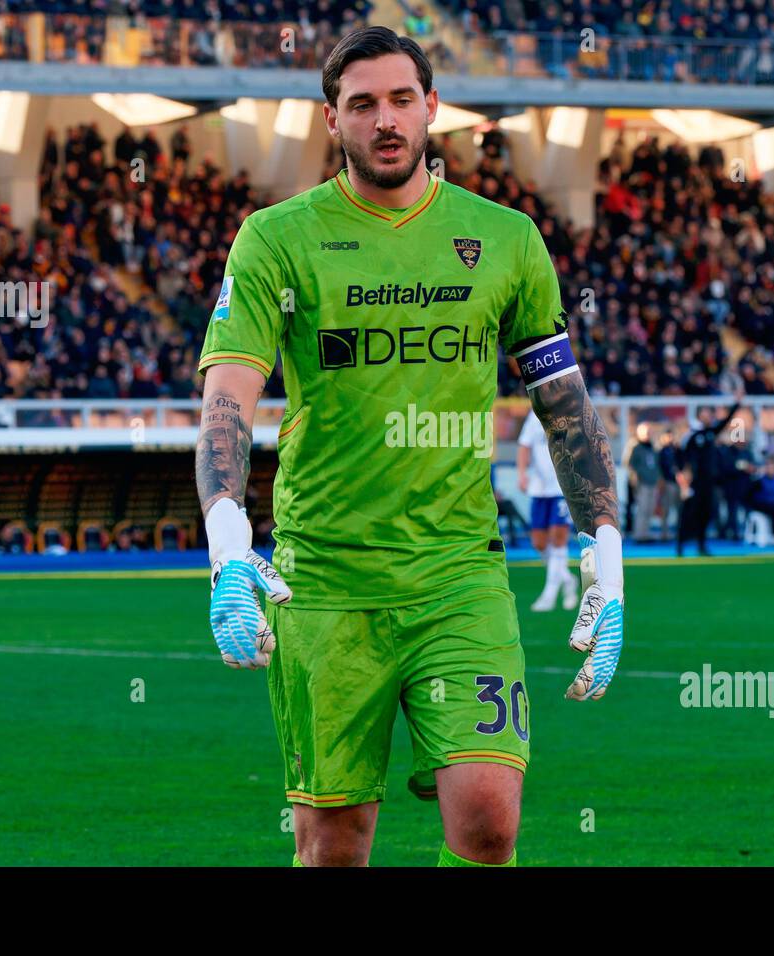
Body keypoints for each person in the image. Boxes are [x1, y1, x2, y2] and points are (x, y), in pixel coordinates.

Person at [194, 27, 624, 868]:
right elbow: (227, 401)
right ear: (333, 120)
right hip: (323, 582)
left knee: (491, 818)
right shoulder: (277, 238)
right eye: (362, 105)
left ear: (432, 108)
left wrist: (604, 550)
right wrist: (226, 544)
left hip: (458, 575)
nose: (384, 121)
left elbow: (563, 403)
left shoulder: (505, 239)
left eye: (401, 100)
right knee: (334, 847)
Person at [518, 411, 578, 611]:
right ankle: (568, 580)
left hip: (562, 487)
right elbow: (524, 446)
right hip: (539, 487)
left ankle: (549, 594)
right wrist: (522, 474)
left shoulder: (569, 414)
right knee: (539, 542)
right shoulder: (534, 417)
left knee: (559, 538)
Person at [676, 389, 742, 557]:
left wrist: (737, 403)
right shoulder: (691, 436)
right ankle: (680, 545)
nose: (709, 416)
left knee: (706, 513)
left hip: (708, 482)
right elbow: (680, 457)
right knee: (689, 513)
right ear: (699, 415)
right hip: (694, 482)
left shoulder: (711, 433)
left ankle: (701, 544)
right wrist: (683, 475)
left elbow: (725, 421)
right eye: (706, 412)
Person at [623, 421, 660, 543]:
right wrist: (636, 479)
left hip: (652, 483)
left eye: (650, 432)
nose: (648, 434)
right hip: (642, 483)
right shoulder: (635, 446)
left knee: (649, 509)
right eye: (646, 432)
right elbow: (629, 464)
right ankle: (639, 535)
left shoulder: (652, 447)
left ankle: (646, 533)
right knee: (642, 509)